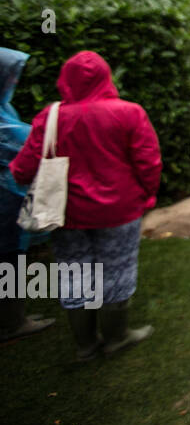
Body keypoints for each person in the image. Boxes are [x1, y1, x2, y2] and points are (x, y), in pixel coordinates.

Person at [10, 51, 161, 359]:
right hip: (119, 211)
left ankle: (85, 344)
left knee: (75, 270)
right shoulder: (129, 113)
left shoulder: (49, 117)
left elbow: (23, 169)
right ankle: (116, 337)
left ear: (65, 80)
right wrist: (147, 195)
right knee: (116, 269)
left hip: (65, 213)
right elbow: (148, 162)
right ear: (107, 77)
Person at [0, 48, 54, 341]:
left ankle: (15, 315)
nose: (15, 81)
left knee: (11, 258)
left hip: (11, 195)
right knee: (7, 259)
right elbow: (23, 144)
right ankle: (12, 321)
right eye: (10, 75)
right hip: (5, 201)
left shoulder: (4, 108)